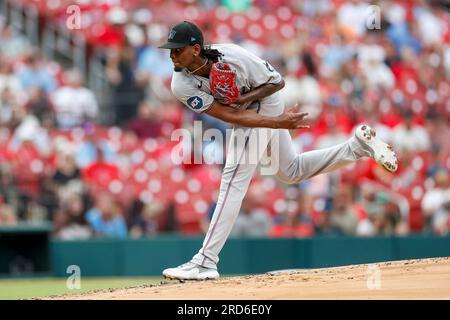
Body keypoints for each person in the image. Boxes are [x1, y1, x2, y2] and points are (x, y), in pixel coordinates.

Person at [159, 21, 398, 280]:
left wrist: (252, 103)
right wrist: (267, 118)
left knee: (234, 177)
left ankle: (205, 261)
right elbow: (228, 115)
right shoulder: (181, 84)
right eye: (170, 50)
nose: (172, 55)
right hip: (246, 113)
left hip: (264, 99)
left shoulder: (234, 55)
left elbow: (277, 81)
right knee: (290, 171)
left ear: (195, 49)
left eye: (177, 50)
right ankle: (356, 147)